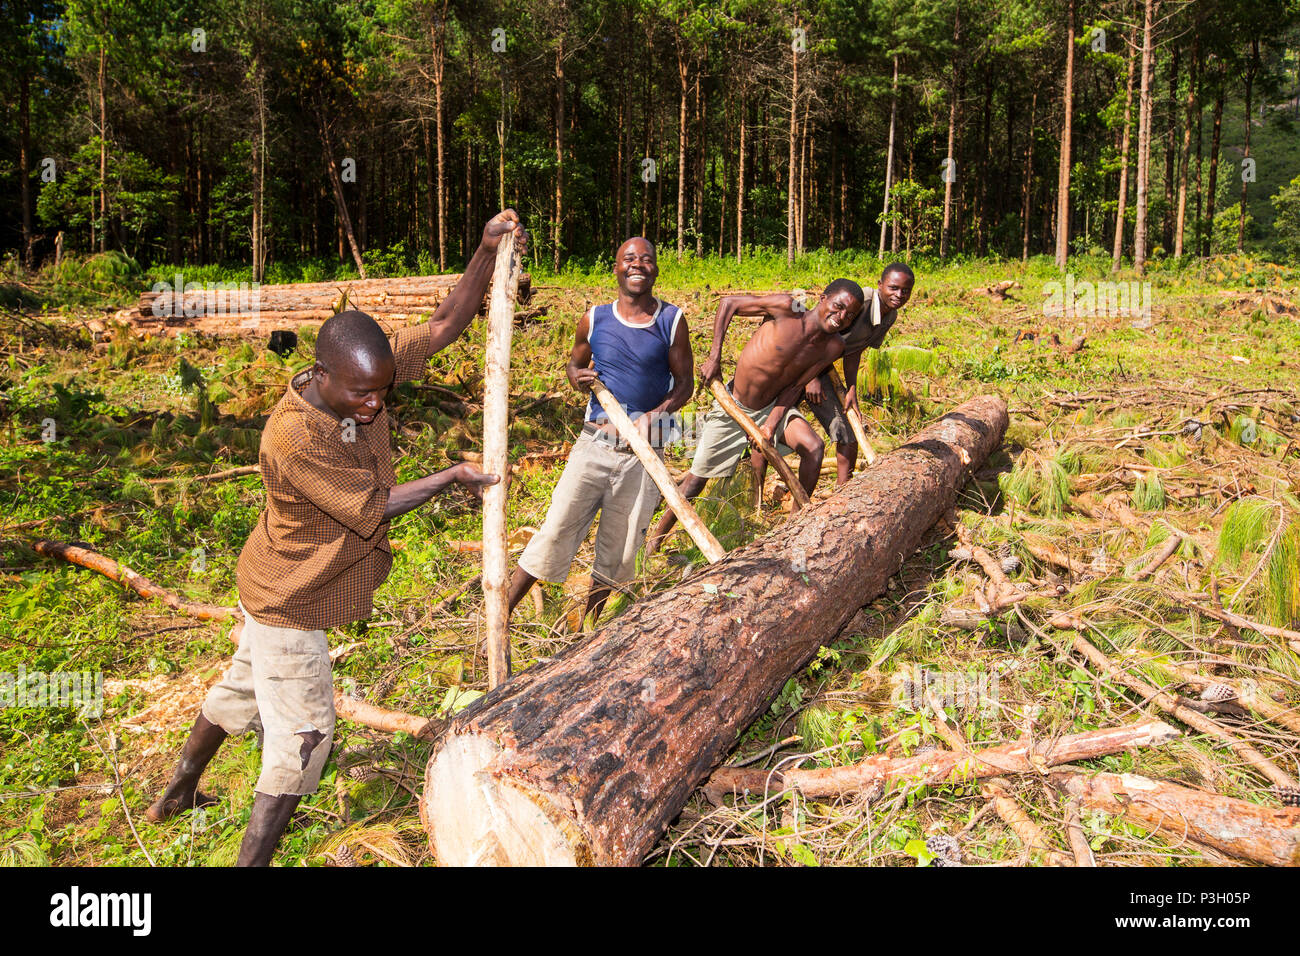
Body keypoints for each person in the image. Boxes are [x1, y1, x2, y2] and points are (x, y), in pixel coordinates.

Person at [144, 210, 526, 866]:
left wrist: (486, 252)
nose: (375, 404)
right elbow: (372, 507)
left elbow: (442, 325)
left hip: (272, 584)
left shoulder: (364, 373)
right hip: (290, 601)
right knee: (305, 739)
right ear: (321, 374)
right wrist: (452, 477)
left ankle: (176, 794)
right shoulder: (294, 437)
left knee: (240, 688)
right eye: (361, 395)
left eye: (382, 390)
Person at [508, 237, 692, 626]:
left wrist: (654, 416)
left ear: (656, 269)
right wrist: (577, 377)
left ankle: (588, 629)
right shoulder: (595, 318)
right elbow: (574, 366)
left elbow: (685, 385)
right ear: (616, 268)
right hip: (595, 442)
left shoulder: (671, 320)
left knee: (620, 551)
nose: (637, 265)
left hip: (645, 452)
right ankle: (498, 616)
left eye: (646, 259)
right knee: (555, 529)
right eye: (629, 259)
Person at [646, 279, 864, 553]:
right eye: (838, 306)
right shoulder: (787, 307)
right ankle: (655, 541)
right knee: (696, 480)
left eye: (850, 315)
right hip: (734, 406)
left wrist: (770, 425)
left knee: (814, 447)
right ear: (823, 298)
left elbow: (795, 387)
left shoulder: (832, 347)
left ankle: (792, 531)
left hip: (773, 407)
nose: (841, 317)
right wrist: (715, 356)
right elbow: (729, 304)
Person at [801, 263, 915, 486]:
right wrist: (811, 377)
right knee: (771, 423)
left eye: (905, 290)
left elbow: (854, 351)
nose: (899, 295)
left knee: (847, 433)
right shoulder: (859, 301)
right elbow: (814, 330)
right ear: (880, 285)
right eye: (893, 288)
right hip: (803, 364)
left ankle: (844, 493)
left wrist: (851, 389)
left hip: (824, 369)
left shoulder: (889, 315)